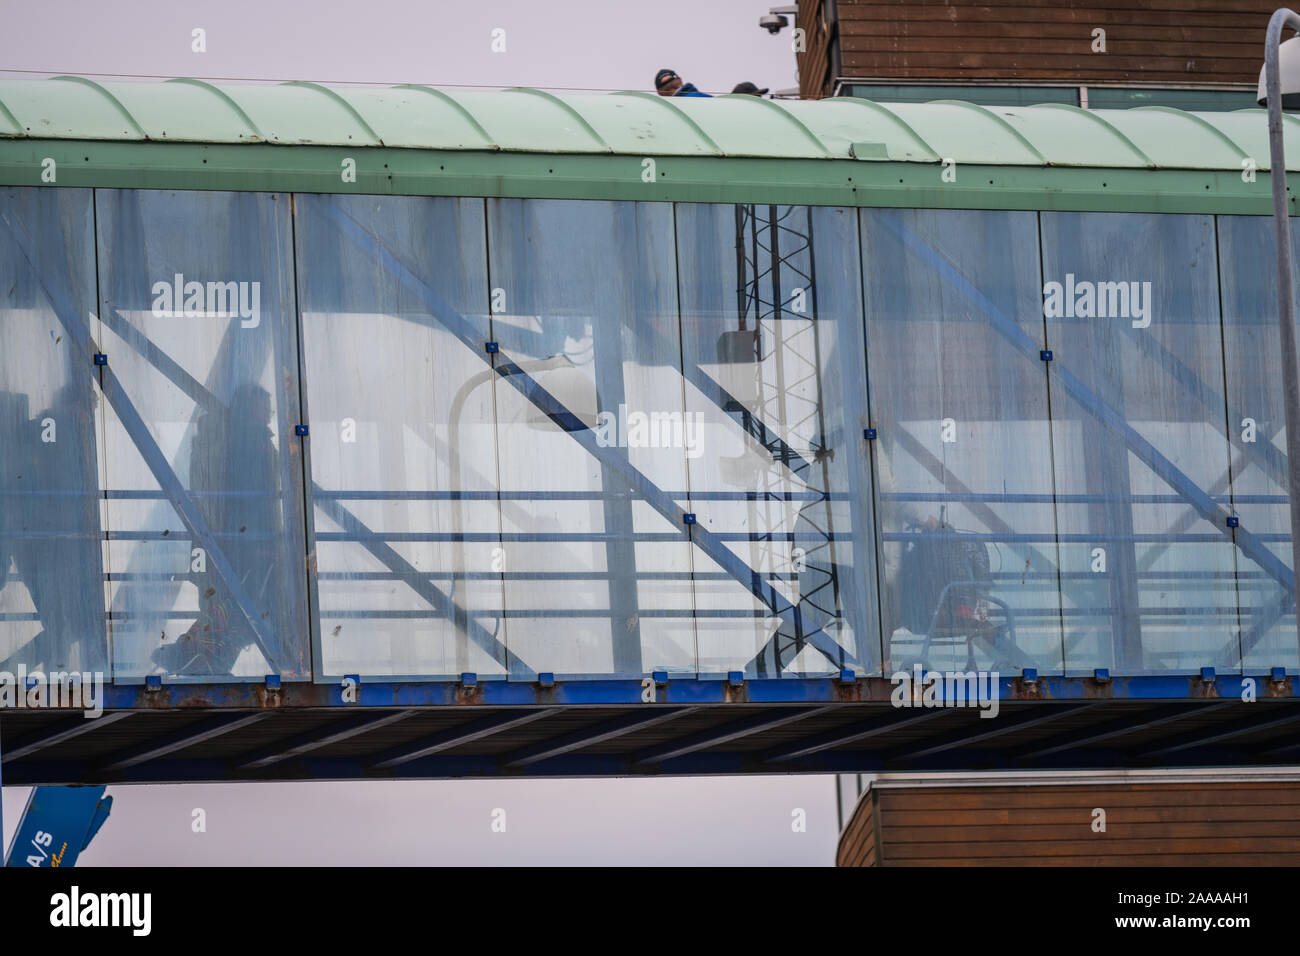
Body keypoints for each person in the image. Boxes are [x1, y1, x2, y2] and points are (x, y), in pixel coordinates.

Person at [152, 384, 283, 676]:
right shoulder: (252, 442)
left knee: (234, 608)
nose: (269, 414)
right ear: (250, 409)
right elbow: (255, 498)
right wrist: (263, 541)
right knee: (248, 611)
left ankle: (191, 655)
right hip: (249, 543)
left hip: (226, 540)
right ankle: (191, 655)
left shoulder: (228, 440)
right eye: (265, 407)